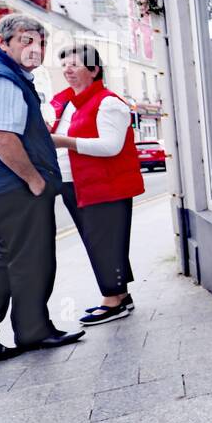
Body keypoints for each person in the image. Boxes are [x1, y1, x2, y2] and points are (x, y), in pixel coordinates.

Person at [0, 15, 84, 360]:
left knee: (12, 256)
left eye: (40, 42)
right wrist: (34, 180)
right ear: (2, 42)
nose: (34, 48)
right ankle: (30, 331)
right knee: (31, 259)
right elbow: (2, 137)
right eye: (25, 40)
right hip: (11, 186)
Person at [50, 44, 145, 326]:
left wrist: (63, 142)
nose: (67, 69)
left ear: (93, 70)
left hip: (104, 185)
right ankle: (120, 295)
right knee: (100, 241)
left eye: (75, 64)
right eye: (64, 65)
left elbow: (110, 146)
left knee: (105, 241)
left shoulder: (108, 102)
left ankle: (112, 300)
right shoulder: (68, 103)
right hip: (75, 183)